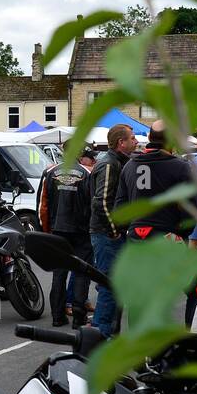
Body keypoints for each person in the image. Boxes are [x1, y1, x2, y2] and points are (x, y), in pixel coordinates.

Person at [89, 124, 138, 338]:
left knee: (115, 285)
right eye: (133, 138)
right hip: (106, 234)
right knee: (109, 285)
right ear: (121, 142)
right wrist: (113, 230)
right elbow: (101, 202)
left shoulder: (118, 162)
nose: (136, 142)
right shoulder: (109, 164)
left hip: (109, 233)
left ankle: (108, 333)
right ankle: (101, 336)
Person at [43, 146, 96, 328]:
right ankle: (79, 318)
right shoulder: (86, 173)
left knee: (59, 274)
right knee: (81, 273)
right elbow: (92, 203)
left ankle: (57, 316)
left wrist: (47, 230)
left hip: (58, 230)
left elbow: (44, 206)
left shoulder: (50, 173)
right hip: (81, 231)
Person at [115, 120, 194, 241]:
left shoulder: (129, 166)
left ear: (149, 137)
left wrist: (130, 228)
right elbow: (192, 208)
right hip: (168, 236)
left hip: (136, 236)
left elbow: (120, 206)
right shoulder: (180, 166)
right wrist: (182, 232)